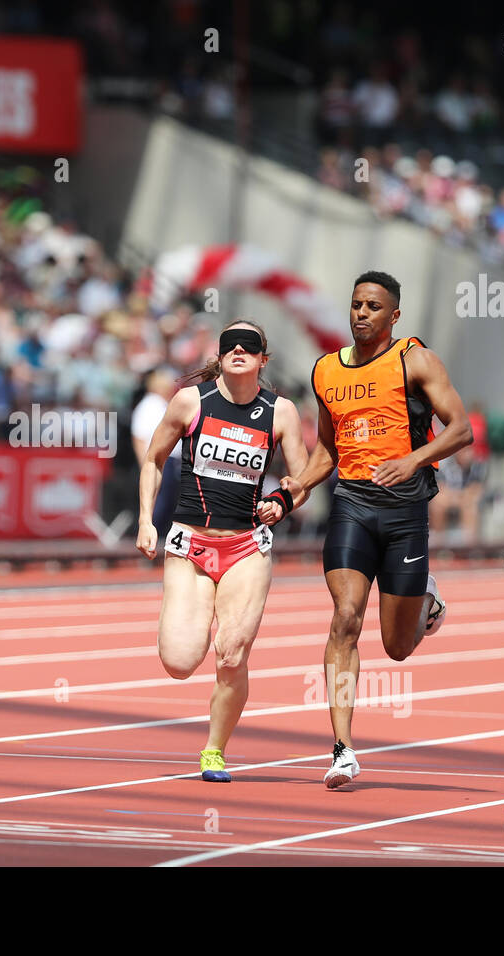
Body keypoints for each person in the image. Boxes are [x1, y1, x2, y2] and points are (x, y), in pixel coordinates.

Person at [281, 271, 472, 788]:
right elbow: (328, 450)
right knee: (345, 617)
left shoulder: (416, 360)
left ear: (394, 316)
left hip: (406, 512)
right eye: (356, 304)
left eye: (373, 306)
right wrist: (295, 488)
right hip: (352, 506)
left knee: (396, 647)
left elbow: (461, 428)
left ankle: (425, 598)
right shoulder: (325, 371)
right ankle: (343, 749)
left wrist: (414, 460)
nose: (362, 314)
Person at [136, 320, 308, 783]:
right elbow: (153, 459)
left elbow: (303, 478)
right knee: (179, 661)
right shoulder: (192, 401)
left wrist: (283, 500)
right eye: (229, 344)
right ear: (220, 355)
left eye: (249, 345)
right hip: (190, 543)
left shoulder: (280, 412)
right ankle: (197, 617)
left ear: (262, 360)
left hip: (247, 547)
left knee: (231, 653)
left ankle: (214, 750)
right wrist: (145, 519)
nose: (237, 350)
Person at [131, 367, 182, 538]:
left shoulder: (162, 404)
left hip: (171, 461)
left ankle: (161, 540)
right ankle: (152, 540)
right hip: (159, 461)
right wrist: (144, 466)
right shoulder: (148, 405)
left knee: (168, 503)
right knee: (158, 504)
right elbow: (139, 437)